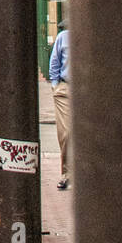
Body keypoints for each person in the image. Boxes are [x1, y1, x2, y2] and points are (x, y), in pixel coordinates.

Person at [49, 22, 70, 190]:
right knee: (67, 133)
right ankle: (67, 174)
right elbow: (54, 62)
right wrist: (56, 86)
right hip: (66, 89)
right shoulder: (63, 38)